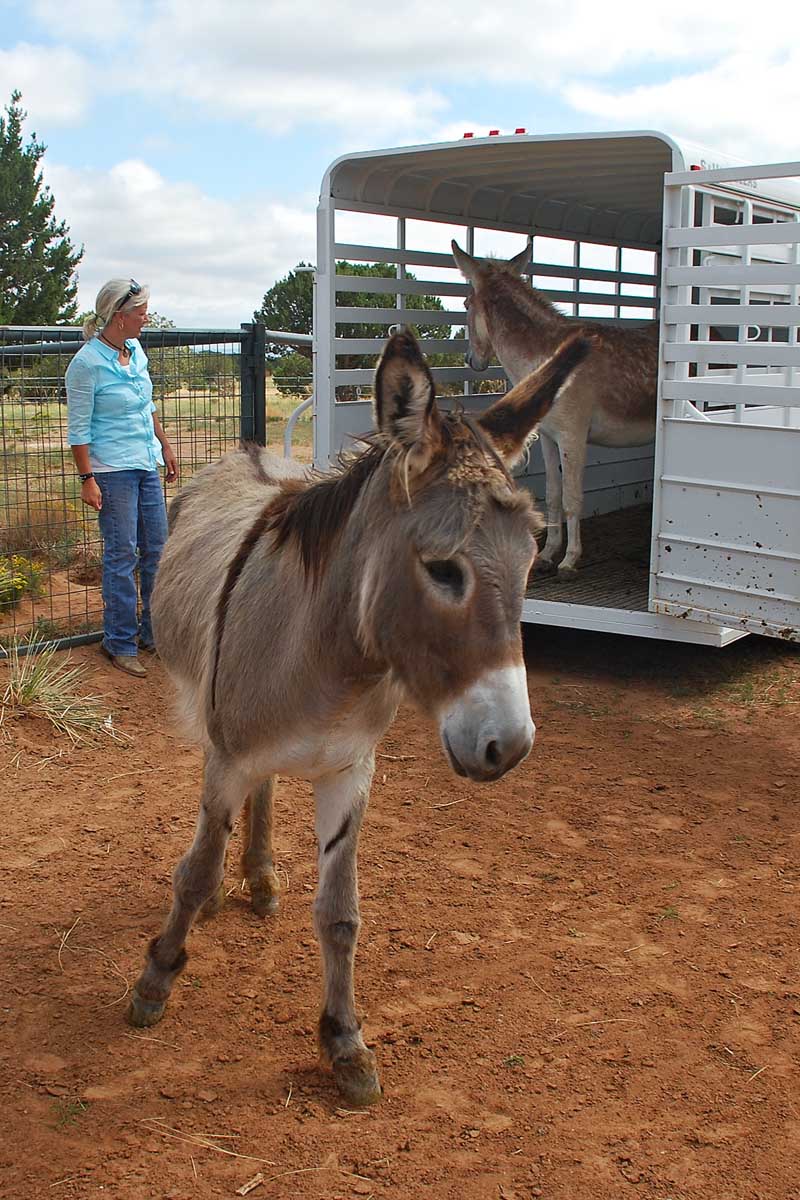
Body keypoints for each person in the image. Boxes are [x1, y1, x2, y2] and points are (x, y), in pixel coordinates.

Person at [65, 278, 178, 678]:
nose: (146, 318)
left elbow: (146, 406)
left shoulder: (136, 350)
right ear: (118, 316)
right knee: (121, 555)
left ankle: (153, 634)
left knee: (158, 553)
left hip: (145, 464)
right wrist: (87, 478)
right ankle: (120, 642)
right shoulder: (86, 364)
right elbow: (78, 429)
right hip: (112, 472)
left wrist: (164, 445)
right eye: (141, 313)